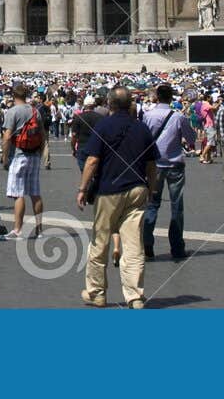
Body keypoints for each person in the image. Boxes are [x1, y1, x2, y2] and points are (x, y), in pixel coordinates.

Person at [78, 87, 159, 309]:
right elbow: (152, 165)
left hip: (109, 189)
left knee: (100, 243)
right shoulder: (142, 128)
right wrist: (150, 189)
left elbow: (92, 160)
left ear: (110, 103)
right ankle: (134, 296)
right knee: (133, 245)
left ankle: (97, 292)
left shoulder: (103, 126)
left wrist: (83, 189)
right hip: (137, 190)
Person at [140, 83, 197, 260]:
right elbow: (191, 138)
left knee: (152, 204)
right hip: (174, 165)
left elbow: (143, 138)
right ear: (171, 97)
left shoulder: (147, 116)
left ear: (156, 96)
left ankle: (147, 244)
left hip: (153, 165)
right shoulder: (178, 116)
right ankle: (177, 247)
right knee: (176, 206)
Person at [1, 83, 45, 240]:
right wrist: (41, 152)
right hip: (34, 155)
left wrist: (4, 157)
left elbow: (7, 137)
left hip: (19, 155)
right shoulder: (35, 111)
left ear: (13, 96)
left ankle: (17, 229)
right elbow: (42, 134)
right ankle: (40, 230)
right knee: (35, 193)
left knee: (18, 194)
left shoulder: (12, 112)